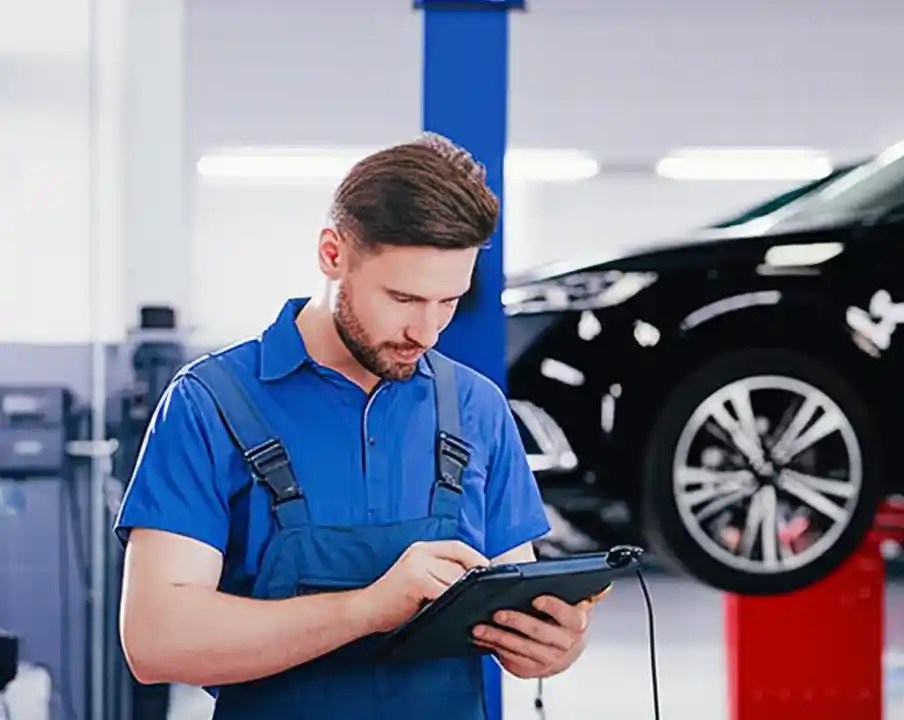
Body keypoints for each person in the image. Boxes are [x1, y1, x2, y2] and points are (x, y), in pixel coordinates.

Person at [114, 133, 594, 719]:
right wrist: (369, 608)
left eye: (449, 302)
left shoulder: (476, 407)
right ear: (332, 254)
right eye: (403, 298)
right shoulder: (207, 404)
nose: (427, 332)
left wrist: (550, 644)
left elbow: (514, 600)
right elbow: (156, 642)